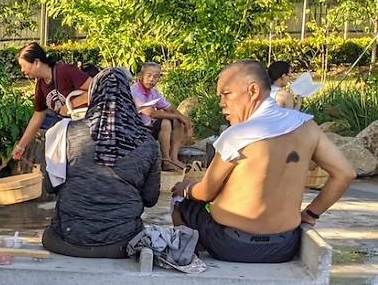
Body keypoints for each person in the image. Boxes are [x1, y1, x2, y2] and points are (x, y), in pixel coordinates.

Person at [173, 59, 355, 263]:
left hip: (230, 244)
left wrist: (186, 188)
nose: (221, 103)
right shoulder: (307, 127)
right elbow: (345, 173)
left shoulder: (238, 135)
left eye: (226, 94)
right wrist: (311, 214)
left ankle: (193, 267)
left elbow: (206, 192)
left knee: (180, 202)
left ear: (252, 90)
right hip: (284, 246)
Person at [42, 68, 161, 258]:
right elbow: (150, 199)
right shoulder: (147, 143)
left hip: (66, 241)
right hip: (122, 244)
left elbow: (49, 186)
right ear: (128, 97)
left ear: (93, 94)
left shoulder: (64, 132)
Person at [11, 42, 91, 162]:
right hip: (68, 127)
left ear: (37, 62)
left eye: (23, 65)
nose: (22, 70)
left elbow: (98, 88)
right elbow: (38, 117)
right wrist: (21, 146)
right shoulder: (40, 86)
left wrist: (71, 105)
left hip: (86, 123)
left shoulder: (64, 71)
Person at [130, 62, 194, 171]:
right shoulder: (134, 91)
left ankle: (174, 158)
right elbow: (151, 113)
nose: (152, 79)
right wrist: (177, 117)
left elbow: (171, 108)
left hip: (151, 126)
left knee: (176, 120)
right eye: (149, 75)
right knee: (166, 121)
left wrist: (185, 120)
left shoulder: (154, 92)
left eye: (155, 76)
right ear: (141, 75)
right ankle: (166, 160)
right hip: (137, 127)